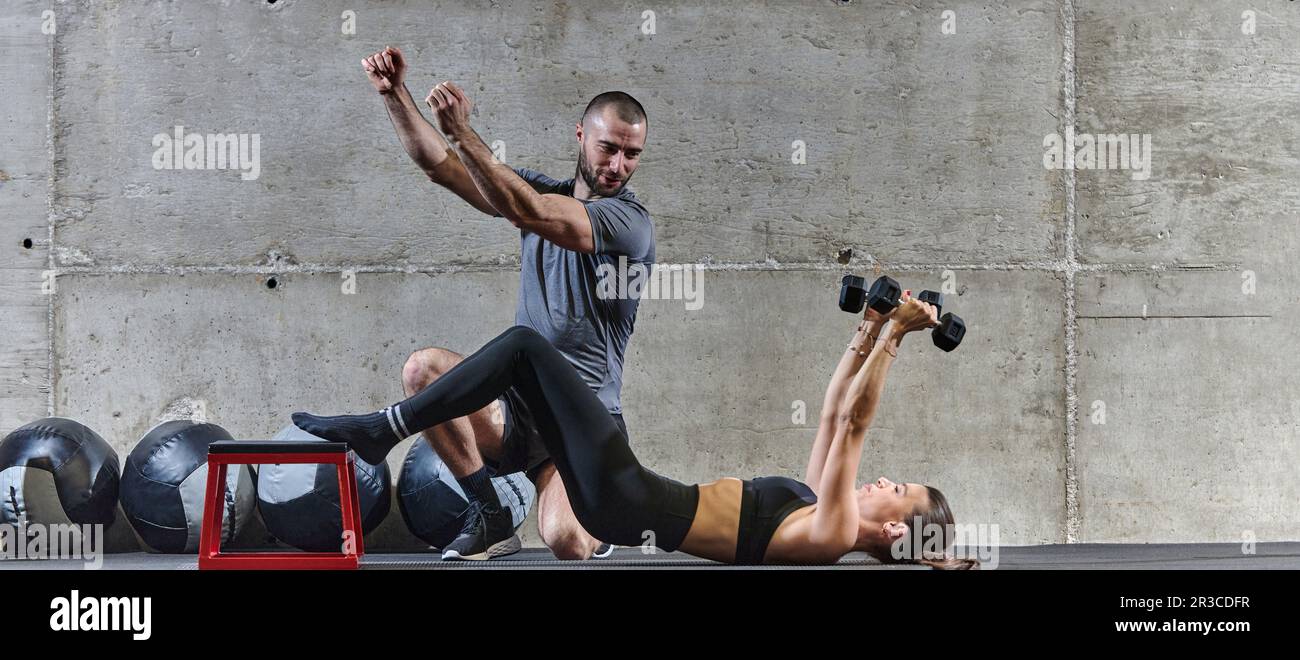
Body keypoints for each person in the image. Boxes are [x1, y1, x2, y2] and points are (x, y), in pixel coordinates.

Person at [293, 291, 977, 567]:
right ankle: (398, 428)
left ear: (896, 531)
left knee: (530, 348)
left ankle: (385, 430)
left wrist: (898, 338)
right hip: (628, 491)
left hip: (628, 498)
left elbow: (856, 428)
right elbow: (834, 414)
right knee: (526, 364)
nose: (887, 479)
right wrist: (871, 328)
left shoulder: (827, 534)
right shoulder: (808, 505)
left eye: (902, 489)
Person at [361, 46, 654, 560]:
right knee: (423, 372)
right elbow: (443, 169)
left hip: (584, 419)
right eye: (609, 148)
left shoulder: (629, 224)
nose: (617, 166)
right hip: (517, 412)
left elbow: (532, 210)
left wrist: (461, 131)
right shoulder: (537, 190)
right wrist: (396, 96)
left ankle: (597, 509)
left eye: (631, 154)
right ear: (581, 136)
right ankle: (491, 516)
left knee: (567, 542)